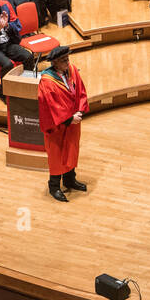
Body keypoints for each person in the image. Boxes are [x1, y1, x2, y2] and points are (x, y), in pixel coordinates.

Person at [36, 46, 88, 202]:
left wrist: (80, 111)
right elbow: (51, 105)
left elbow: (80, 91)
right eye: (64, 60)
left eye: (68, 59)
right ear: (55, 62)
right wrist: (68, 119)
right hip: (57, 126)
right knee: (56, 156)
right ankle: (54, 187)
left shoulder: (71, 70)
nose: (68, 62)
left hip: (73, 122)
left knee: (72, 150)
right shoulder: (47, 81)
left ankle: (70, 180)